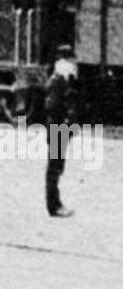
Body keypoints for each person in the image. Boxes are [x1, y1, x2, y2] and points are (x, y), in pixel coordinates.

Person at [44, 44, 77, 218]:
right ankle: (53, 206)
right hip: (57, 129)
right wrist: (64, 122)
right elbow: (52, 106)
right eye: (71, 59)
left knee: (57, 166)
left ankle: (56, 204)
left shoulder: (61, 79)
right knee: (54, 167)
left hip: (59, 128)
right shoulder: (58, 80)